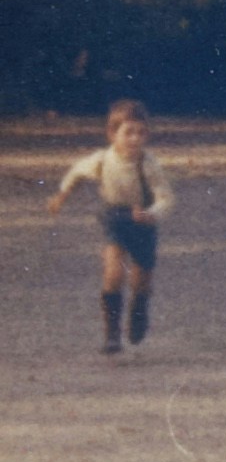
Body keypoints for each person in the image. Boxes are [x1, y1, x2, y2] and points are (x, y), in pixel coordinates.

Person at [49, 99, 172, 355]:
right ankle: (112, 334)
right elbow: (77, 173)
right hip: (115, 218)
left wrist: (152, 213)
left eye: (141, 132)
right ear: (112, 133)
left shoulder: (148, 164)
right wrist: (62, 195)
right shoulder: (103, 160)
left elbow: (165, 197)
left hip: (142, 221)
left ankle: (139, 309)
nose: (135, 139)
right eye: (128, 132)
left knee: (141, 280)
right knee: (113, 271)